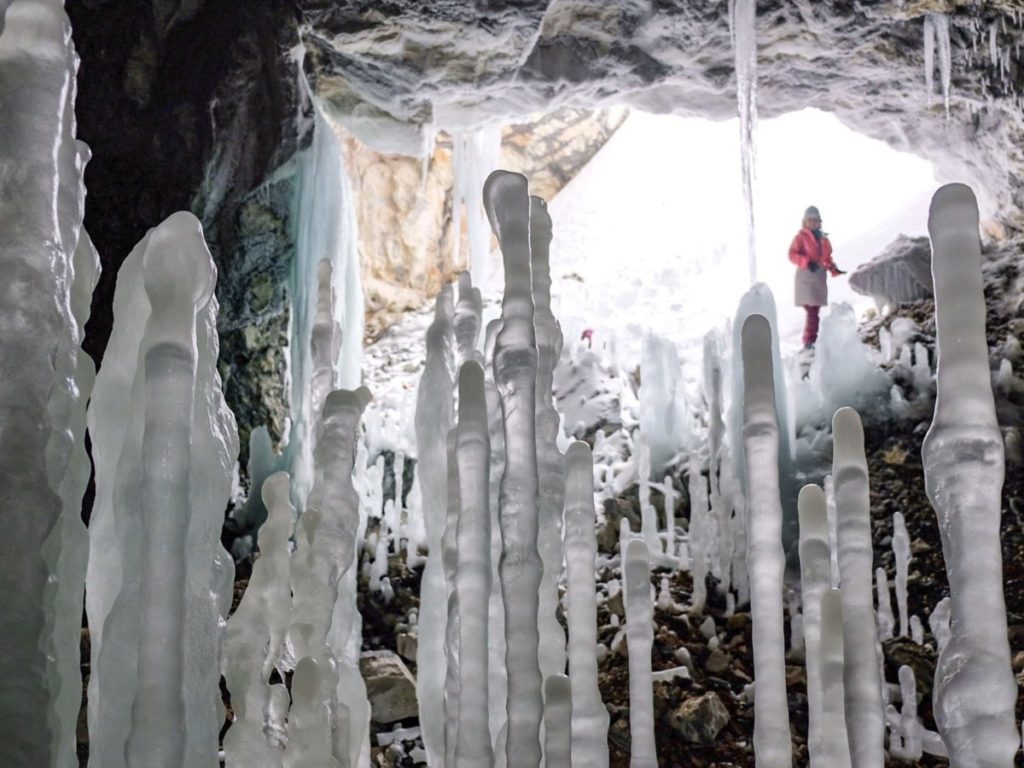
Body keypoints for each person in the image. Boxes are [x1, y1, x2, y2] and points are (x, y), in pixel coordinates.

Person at [788, 205, 844, 349]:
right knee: (812, 311)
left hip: (818, 277)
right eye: (810, 220)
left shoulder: (823, 238)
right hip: (805, 278)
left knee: (815, 311)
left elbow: (826, 257)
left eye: (816, 220)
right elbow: (792, 254)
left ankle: (811, 340)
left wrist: (833, 268)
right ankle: (809, 341)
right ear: (805, 222)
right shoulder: (800, 237)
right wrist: (806, 262)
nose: (813, 223)